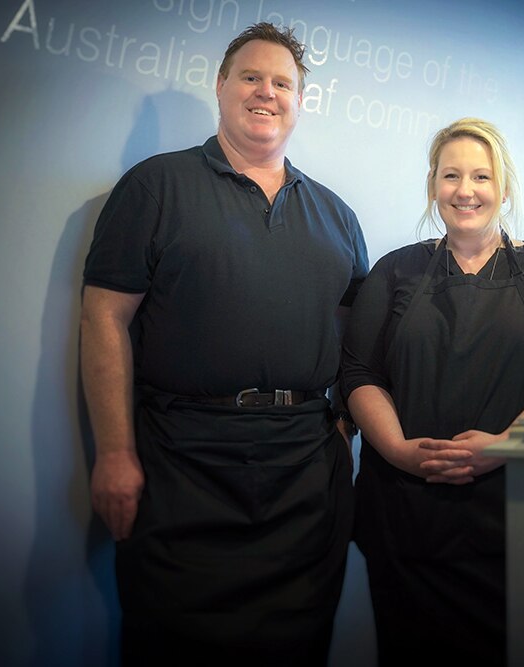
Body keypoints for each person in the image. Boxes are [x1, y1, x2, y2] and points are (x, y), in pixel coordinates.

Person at [80, 22, 368, 666]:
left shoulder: (337, 216)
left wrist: (344, 427)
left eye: (282, 83)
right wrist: (114, 454)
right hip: (182, 466)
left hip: (304, 476)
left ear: (300, 100)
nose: (266, 92)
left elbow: (360, 342)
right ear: (221, 87)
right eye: (250, 77)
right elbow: (103, 317)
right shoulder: (155, 187)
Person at [340, 117, 524, 665]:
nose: (466, 190)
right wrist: (397, 451)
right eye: (451, 175)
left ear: (503, 187)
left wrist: (505, 444)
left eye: (481, 177)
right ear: (433, 185)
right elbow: (358, 373)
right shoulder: (394, 272)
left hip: (517, 519)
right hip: (406, 518)